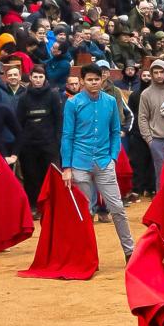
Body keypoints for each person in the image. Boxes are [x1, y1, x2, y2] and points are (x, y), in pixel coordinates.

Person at [62, 62, 133, 260]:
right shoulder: (73, 103)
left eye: (97, 79)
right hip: (79, 163)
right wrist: (66, 167)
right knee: (85, 211)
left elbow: (114, 132)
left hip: (103, 162)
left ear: (102, 80)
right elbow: (67, 135)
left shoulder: (110, 101)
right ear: (83, 81)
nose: (94, 83)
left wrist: (112, 157)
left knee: (117, 208)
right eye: (89, 80)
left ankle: (130, 251)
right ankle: (85, 254)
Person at [12, 67, 64, 212]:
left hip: (49, 144)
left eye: (40, 77)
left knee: (52, 175)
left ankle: (52, 205)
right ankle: (34, 206)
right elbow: (19, 123)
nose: (38, 80)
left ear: (45, 78)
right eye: (35, 77)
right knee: (31, 176)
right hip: (29, 145)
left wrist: (57, 141)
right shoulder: (24, 98)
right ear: (30, 78)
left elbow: (59, 120)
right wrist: (20, 145)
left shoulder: (53, 96)